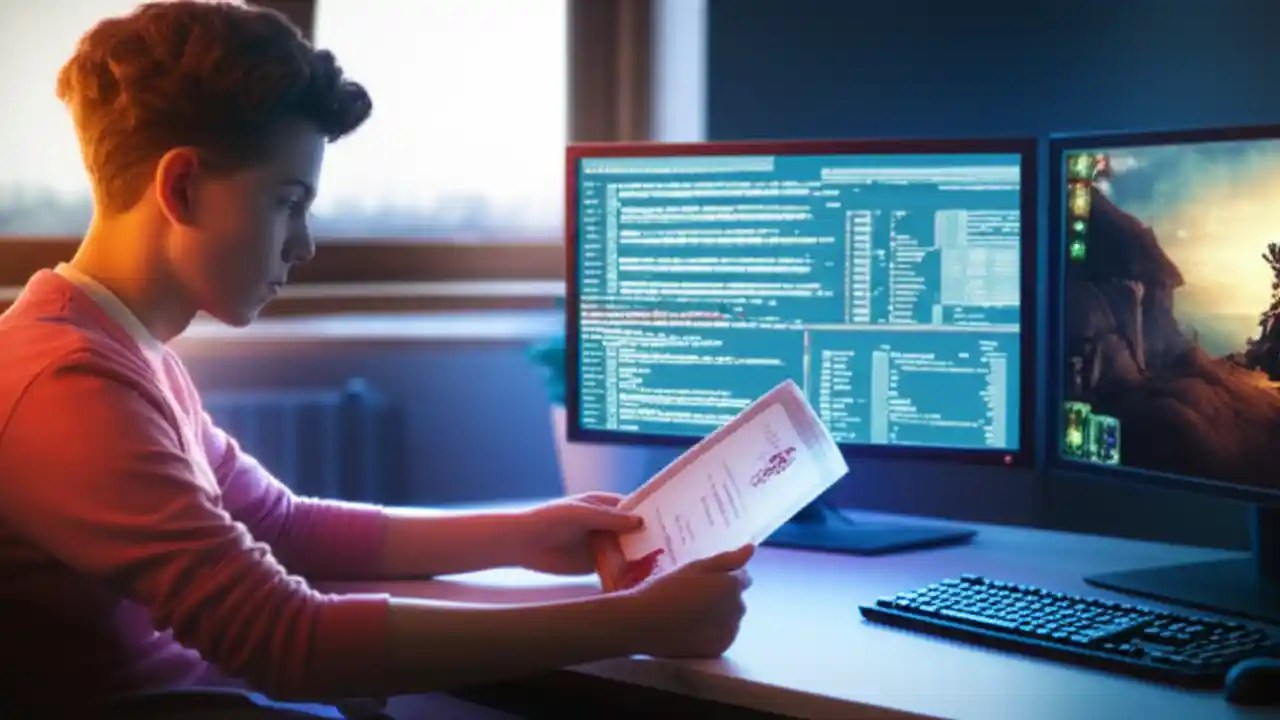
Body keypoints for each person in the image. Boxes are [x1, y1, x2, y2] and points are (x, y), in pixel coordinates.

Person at [0, 2, 754, 716]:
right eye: (286, 202)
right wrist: (632, 623)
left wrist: (523, 534)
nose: (304, 244)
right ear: (183, 186)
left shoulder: (121, 347)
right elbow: (282, 639)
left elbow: (285, 526)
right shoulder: (68, 384)